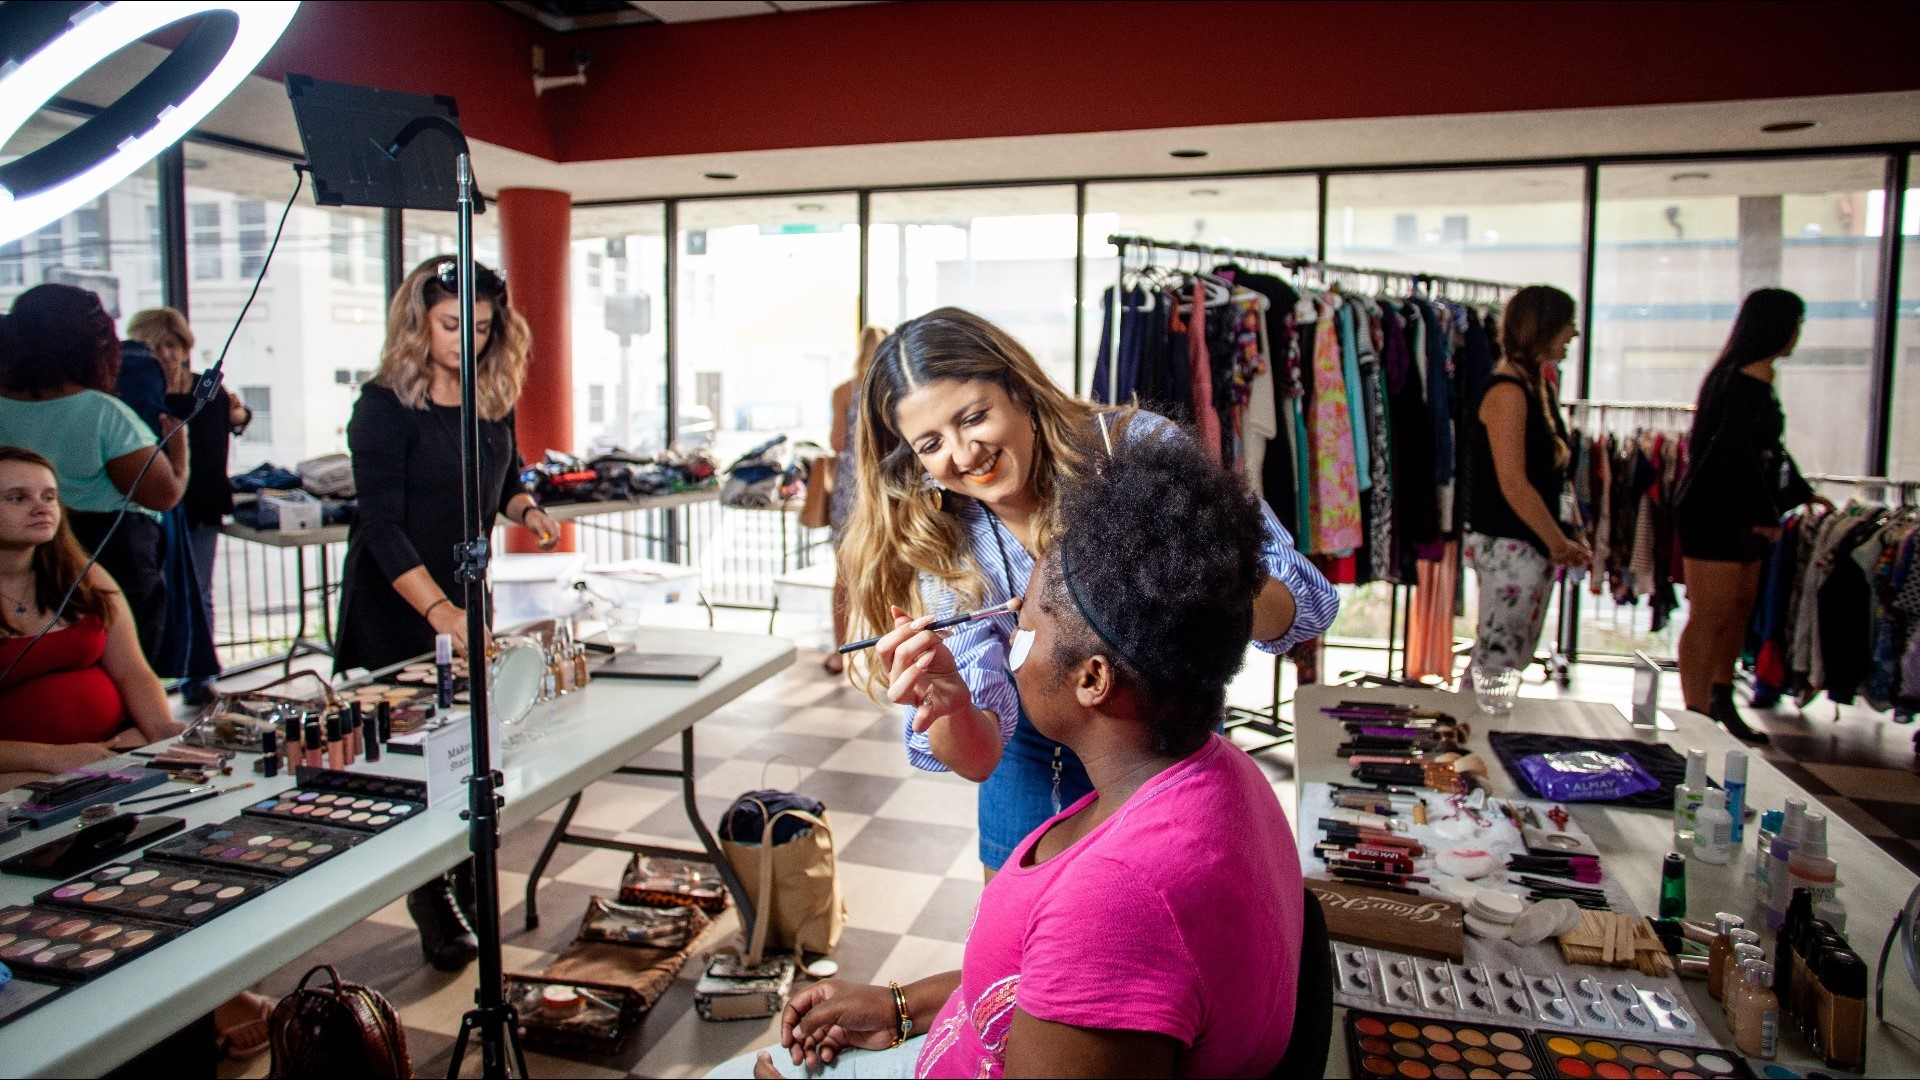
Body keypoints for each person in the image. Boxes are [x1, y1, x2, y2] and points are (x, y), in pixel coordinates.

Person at [709, 431, 1304, 1079]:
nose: (1009, 641)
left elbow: (1087, 969)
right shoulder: (1218, 771)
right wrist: (899, 1007)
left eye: (1026, 625)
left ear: (1092, 678)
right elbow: (1040, 981)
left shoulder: (1118, 898)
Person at [840, 307, 1336, 875]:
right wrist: (950, 701)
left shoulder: (1136, 446)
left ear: (1018, 389)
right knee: (1025, 924)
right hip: (1032, 755)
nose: (963, 454)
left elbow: (1306, 609)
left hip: (1163, 741)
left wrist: (1196, 564)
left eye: (974, 417)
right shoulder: (947, 540)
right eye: (931, 444)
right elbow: (978, 758)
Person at [335, 256, 560, 970]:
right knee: (413, 759)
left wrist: (526, 509)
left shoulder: (490, 397)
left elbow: (506, 477)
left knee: (468, 747)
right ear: (418, 323)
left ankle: (464, 873)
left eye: (482, 327)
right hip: (399, 601)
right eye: (450, 324)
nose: (467, 340)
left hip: (463, 598)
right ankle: (430, 896)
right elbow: (381, 526)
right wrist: (439, 611)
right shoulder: (381, 408)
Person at [0, 284, 188, 661]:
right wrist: (180, 448)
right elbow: (162, 493)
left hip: (21, 556)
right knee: (124, 666)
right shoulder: (102, 413)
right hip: (111, 552)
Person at [1674, 288, 1825, 744]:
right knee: (1711, 612)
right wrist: (1763, 511)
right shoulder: (1745, 377)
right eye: (1796, 324)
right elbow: (1732, 450)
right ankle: (1696, 714)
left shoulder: (1750, 375)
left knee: (1738, 606)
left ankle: (1720, 697)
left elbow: (1765, 449)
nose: (1798, 334)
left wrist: (1800, 492)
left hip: (1735, 506)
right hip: (1715, 509)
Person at [0, 448, 184, 786]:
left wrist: (163, 732)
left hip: (111, 751)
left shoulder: (83, 575)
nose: (41, 508)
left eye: (49, 496)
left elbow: (133, 672)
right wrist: (50, 758)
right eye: (17, 498)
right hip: (24, 773)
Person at [1461, 285, 1591, 677]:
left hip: (1529, 543)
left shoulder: (1536, 386)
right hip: (1510, 543)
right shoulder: (1508, 392)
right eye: (1567, 324)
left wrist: (1567, 535)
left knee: (1509, 657)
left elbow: (1549, 477)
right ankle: (1476, 718)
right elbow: (1514, 483)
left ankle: (1488, 717)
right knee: (1497, 660)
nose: (1573, 333)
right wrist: (1558, 543)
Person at [126, 308, 252, 701]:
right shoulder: (140, 396)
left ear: (184, 346)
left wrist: (240, 414)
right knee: (151, 593)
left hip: (201, 505)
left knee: (200, 591)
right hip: (154, 508)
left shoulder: (208, 392)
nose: (164, 354)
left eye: (171, 344)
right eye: (154, 347)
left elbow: (224, 436)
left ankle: (198, 676)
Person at [824, 325, 888, 675]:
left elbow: (836, 443)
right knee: (888, 572)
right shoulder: (889, 388)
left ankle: (840, 653)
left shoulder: (843, 392)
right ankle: (888, 653)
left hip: (849, 488)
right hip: (882, 486)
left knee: (843, 575)